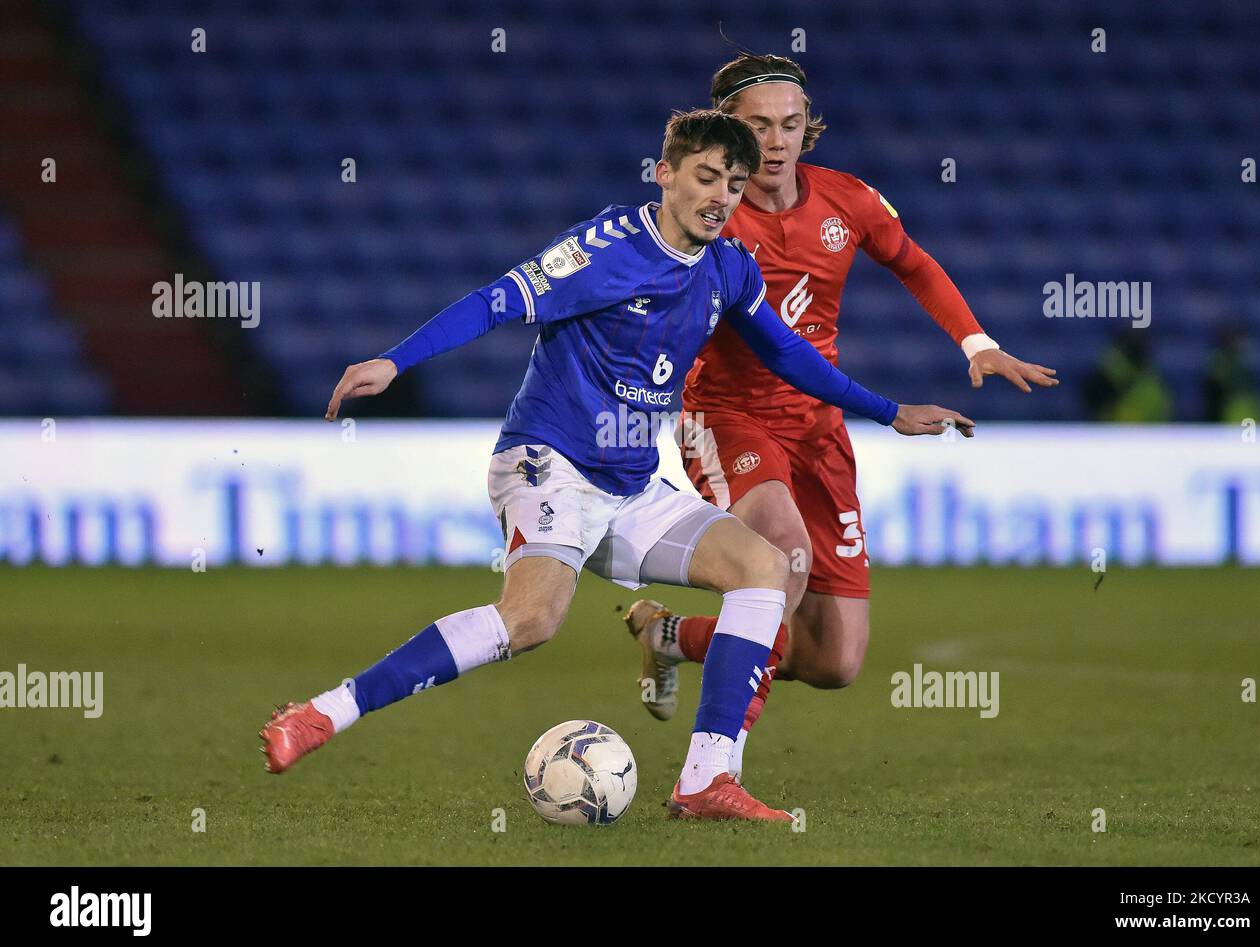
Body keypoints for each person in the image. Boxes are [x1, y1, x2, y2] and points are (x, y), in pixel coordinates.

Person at [259, 109, 974, 821]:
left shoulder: (727, 266)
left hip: (629, 487)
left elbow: (786, 353)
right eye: (704, 177)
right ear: (664, 175)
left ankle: (705, 780)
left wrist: (888, 410)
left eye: (732, 181)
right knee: (532, 619)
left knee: (764, 567)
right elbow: (497, 301)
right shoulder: (605, 249)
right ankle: (324, 714)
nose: (720, 195)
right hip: (550, 463)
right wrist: (395, 359)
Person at [623, 55, 1057, 781]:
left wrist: (977, 344)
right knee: (782, 552)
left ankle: (669, 634)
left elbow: (914, 263)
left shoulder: (846, 201)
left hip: (819, 425)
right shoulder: (707, 217)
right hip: (729, 415)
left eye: (791, 124)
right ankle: (714, 769)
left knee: (833, 659)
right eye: (758, 126)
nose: (778, 140)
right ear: (728, 132)